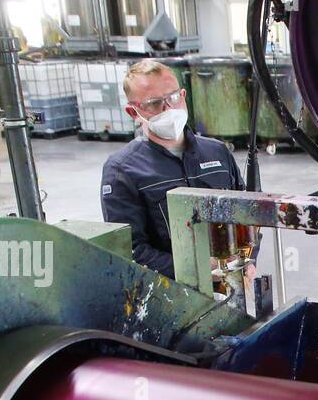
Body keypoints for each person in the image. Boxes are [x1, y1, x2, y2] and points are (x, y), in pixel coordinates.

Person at [101, 59, 246, 280]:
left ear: (184, 95)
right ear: (133, 112)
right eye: (154, 103)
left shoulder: (218, 153)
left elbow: (247, 213)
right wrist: (197, 269)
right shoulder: (122, 171)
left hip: (231, 286)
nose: (169, 108)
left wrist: (245, 261)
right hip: (172, 296)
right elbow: (131, 250)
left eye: (174, 97)